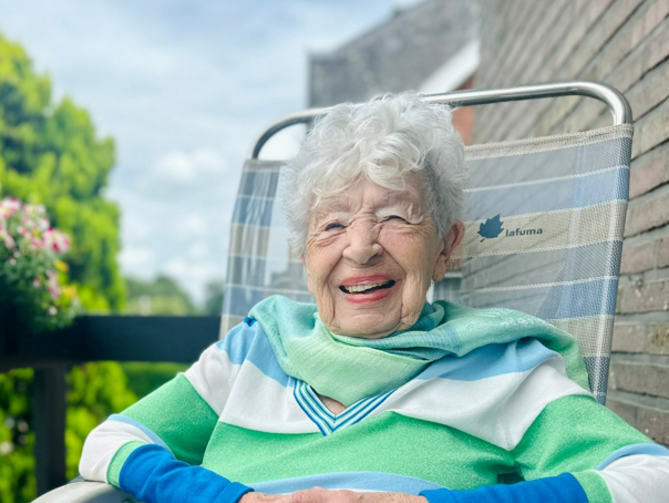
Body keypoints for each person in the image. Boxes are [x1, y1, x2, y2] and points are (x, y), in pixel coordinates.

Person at [79, 93, 669, 503]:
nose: (360, 248)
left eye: (395, 217)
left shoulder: (504, 366)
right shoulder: (254, 350)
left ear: (446, 247)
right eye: (332, 225)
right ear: (305, 253)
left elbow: (650, 476)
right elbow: (112, 442)